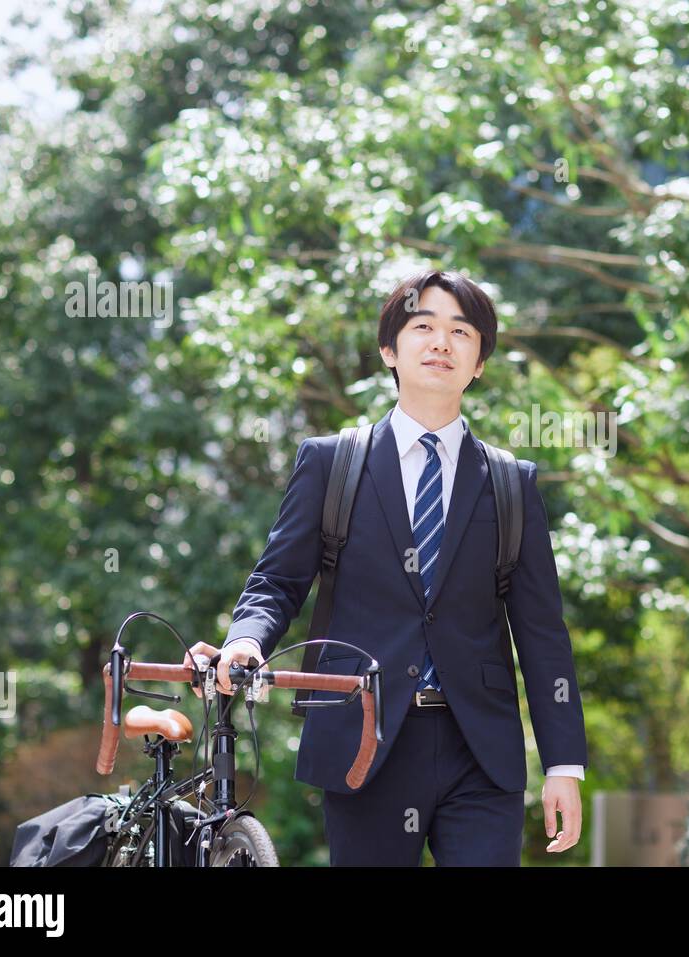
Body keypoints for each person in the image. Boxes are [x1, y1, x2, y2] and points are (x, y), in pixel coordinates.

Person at [183, 269, 588, 865]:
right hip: (363, 739)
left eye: (461, 331)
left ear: (480, 362)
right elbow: (279, 580)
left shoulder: (510, 483)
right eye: (423, 326)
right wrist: (245, 641)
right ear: (389, 350)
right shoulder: (332, 464)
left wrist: (563, 764)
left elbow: (542, 633)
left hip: (480, 751)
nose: (441, 342)